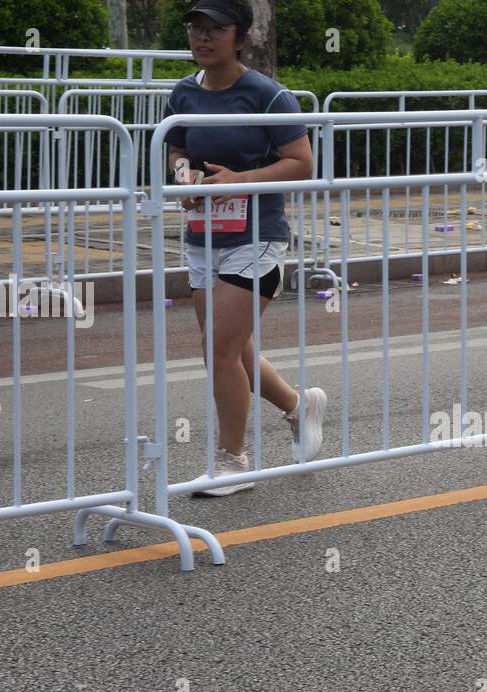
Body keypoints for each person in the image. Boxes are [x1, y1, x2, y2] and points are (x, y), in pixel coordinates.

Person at [162, 0, 324, 497]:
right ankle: (299, 407)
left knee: (220, 349)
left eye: (215, 29)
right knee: (227, 349)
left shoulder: (268, 96)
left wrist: (240, 181)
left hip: (256, 237)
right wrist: (182, 175)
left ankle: (233, 461)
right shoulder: (183, 92)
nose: (203, 37)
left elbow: (301, 163)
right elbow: (177, 147)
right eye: (196, 27)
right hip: (202, 236)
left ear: (240, 37)